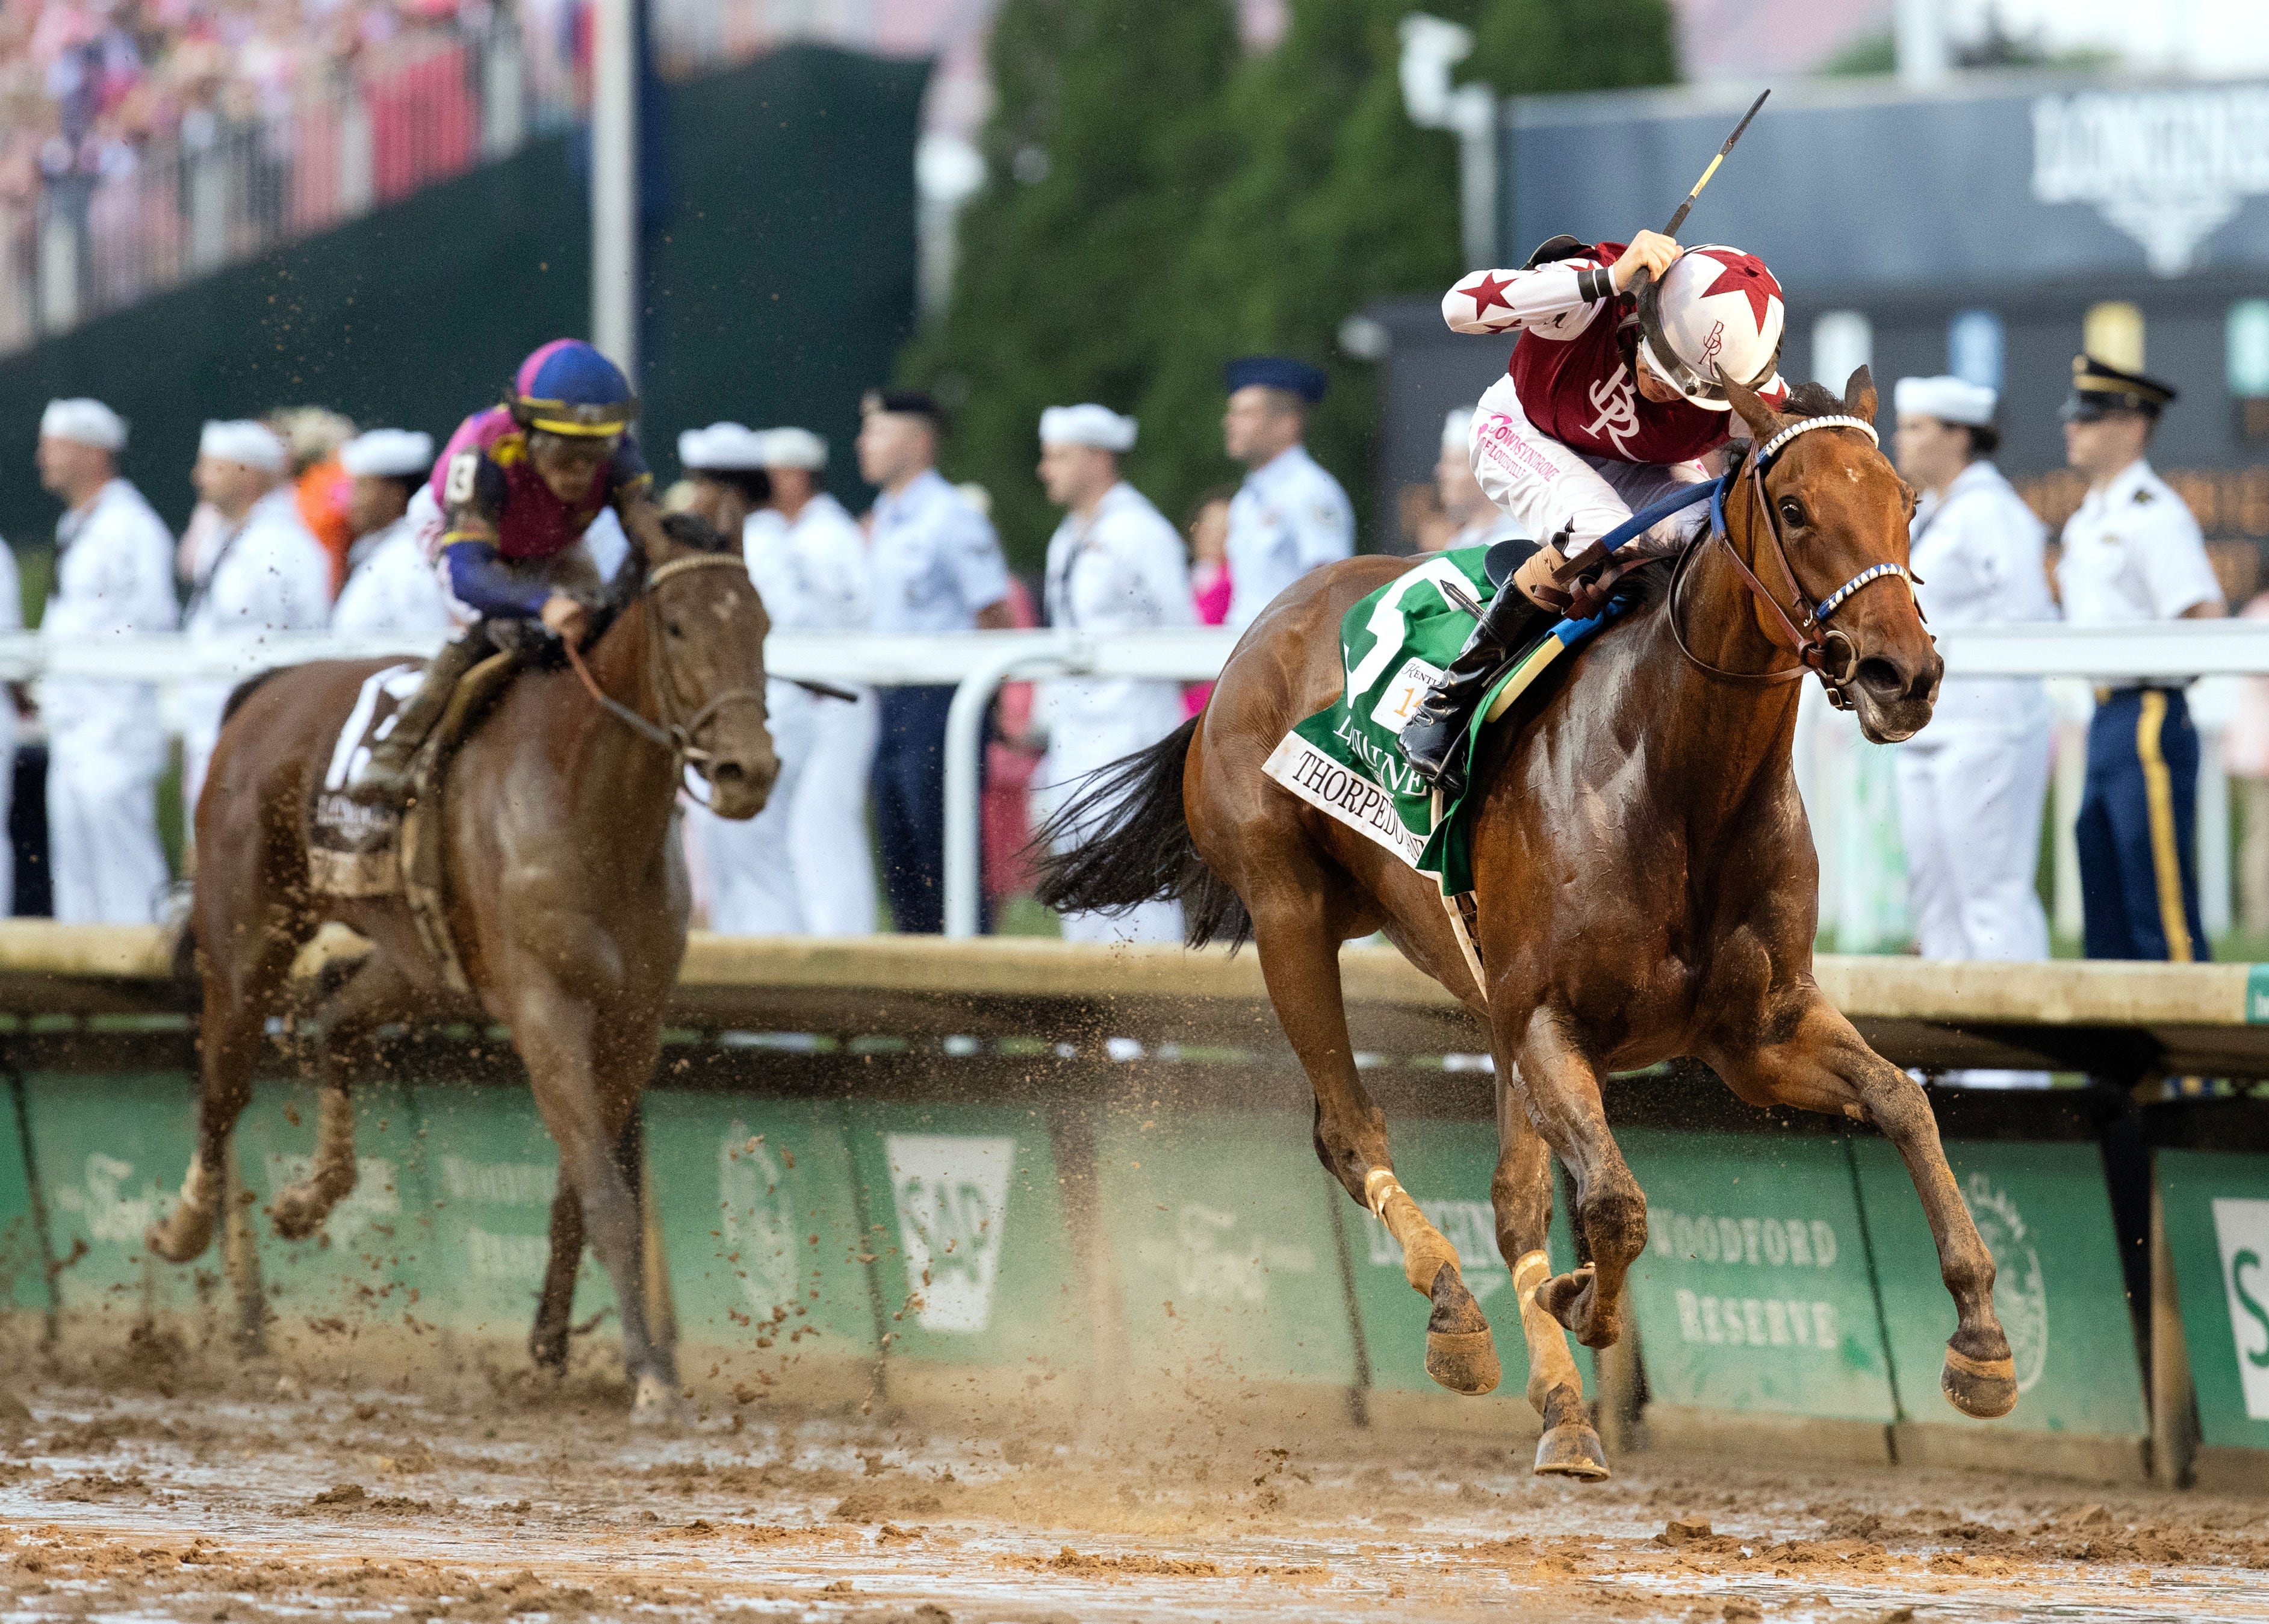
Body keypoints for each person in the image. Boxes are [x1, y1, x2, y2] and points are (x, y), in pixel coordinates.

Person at [1399, 231, 1789, 794]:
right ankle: (1445, 705)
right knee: (1604, 532)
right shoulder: (1600, 295)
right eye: (1661, 372)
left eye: (1692, 391)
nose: (1668, 395)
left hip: (1633, 468)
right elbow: (1457, 306)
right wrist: (1604, 278)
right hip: (1523, 431)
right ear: (1643, 321)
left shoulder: (1747, 389)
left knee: (1719, 540)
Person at [347, 339, 665, 807]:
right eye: (563, 453)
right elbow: (470, 578)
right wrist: (542, 602)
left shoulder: (619, 455)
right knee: (498, 629)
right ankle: (394, 753)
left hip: (554, 539)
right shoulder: (482, 456)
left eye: (593, 453)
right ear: (527, 433)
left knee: (600, 626)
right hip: (468, 539)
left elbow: (647, 535)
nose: (580, 471)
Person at [1889, 375, 2057, 1085]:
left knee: (1991, 893)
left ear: (1959, 436)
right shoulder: (1936, 515)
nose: (1903, 440)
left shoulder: (1995, 515)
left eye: (1918, 427)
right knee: (1940, 896)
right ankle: (1958, 1058)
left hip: (1988, 725)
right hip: (1928, 726)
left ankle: (2018, 1068)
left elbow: (2029, 621)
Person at [2057, 355, 2226, 962]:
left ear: (2131, 427)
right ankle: (2124, 1060)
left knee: (2158, 899)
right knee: (2104, 893)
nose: (2071, 428)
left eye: (2090, 417)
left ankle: (2189, 1056)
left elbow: (2203, 616)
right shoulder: (2087, 519)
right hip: (2105, 716)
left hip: (2150, 711)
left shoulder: (2155, 515)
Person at [1029, 404, 1194, 943]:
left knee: (1135, 882)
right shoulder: (1066, 536)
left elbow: (1182, 631)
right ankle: (1090, 1017)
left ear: (1098, 459)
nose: (1044, 469)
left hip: (1131, 728)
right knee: (1076, 878)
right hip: (1074, 731)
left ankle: (1147, 1021)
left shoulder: (1140, 531)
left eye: (1058, 457)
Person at [857, 389, 1013, 934]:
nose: (863, 443)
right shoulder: (882, 518)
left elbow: (994, 612)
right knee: (899, 851)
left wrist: (988, 701)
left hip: (941, 701)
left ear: (919, 442)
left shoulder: (949, 517)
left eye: (878, 431)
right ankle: (920, 998)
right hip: (892, 699)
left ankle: (975, 993)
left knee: (943, 847)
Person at [34, 397, 177, 923]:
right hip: (74, 722)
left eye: (55, 448)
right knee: (76, 864)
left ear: (93, 454)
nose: (42, 459)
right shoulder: (76, 527)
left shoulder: (131, 529)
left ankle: (147, 981)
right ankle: (89, 993)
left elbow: (152, 623)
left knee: (125, 863)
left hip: (115, 724)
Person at [674, 421, 799, 934]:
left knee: (757, 862)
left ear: (724, 490)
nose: (692, 496)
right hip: (751, 708)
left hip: (762, 709)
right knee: (733, 861)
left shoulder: (759, 548)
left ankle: (779, 1004)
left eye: (700, 483)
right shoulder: (762, 543)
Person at [757, 425, 876, 936]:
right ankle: (813, 945)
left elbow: (858, 614)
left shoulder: (829, 536)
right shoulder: (790, 534)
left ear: (795, 475)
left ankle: (843, 948)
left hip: (837, 698)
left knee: (826, 830)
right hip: (805, 703)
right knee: (803, 834)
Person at [179, 419, 331, 813]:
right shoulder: (223, 537)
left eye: (213, 467)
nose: (198, 478)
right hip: (207, 724)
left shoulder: (288, 546)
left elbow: (312, 639)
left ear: (248, 474)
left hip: (259, 732)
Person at [1221, 356, 1353, 631]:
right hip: (1247, 653)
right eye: (1233, 412)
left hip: (1284, 661)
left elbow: (1330, 587)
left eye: (1246, 414)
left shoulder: (1311, 491)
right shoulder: (1248, 498)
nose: (1229, 422)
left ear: (1287, 423)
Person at [330, 429, 450, 640]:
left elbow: (426, 644)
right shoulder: (387, 550)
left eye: (363, 487)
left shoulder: (410, 558)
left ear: (395, 495)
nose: (351, 500)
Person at [1435, 404, 1527, 552]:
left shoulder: (1517, 542)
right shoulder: (1458, 543)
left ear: (1488, 472)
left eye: (1455, 463)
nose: (1441, 472)